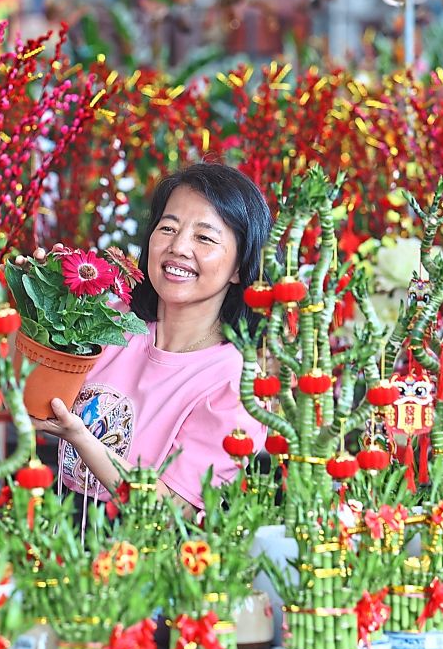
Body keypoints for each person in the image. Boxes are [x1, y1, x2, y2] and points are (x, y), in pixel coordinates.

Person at [30, 161, 271, 512]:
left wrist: (81, 438)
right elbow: (27, 396)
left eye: (204, 237)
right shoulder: (110, 320)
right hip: (58, 523)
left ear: (238, 267)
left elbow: (173, 507)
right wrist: (38, 297)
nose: (179, 247)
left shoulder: (237, 384)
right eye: (168, 228)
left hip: (140, 542)